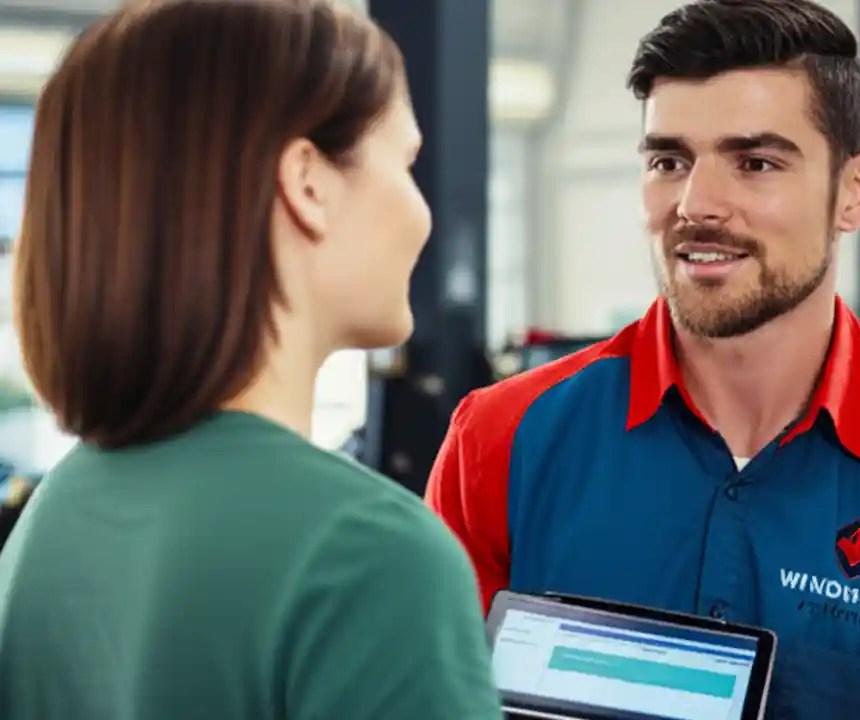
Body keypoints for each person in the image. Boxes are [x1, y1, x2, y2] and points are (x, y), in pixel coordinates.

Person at [427, 0, 860, 718]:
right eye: (668, 160)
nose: (697, 203)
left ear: (856, 191)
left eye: (756, 162)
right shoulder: (499, 445)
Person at [0, 1, 501, 718]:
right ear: (308, 184)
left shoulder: (59, 512)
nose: (422, 214)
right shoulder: (369, 555)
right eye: (406, 162)